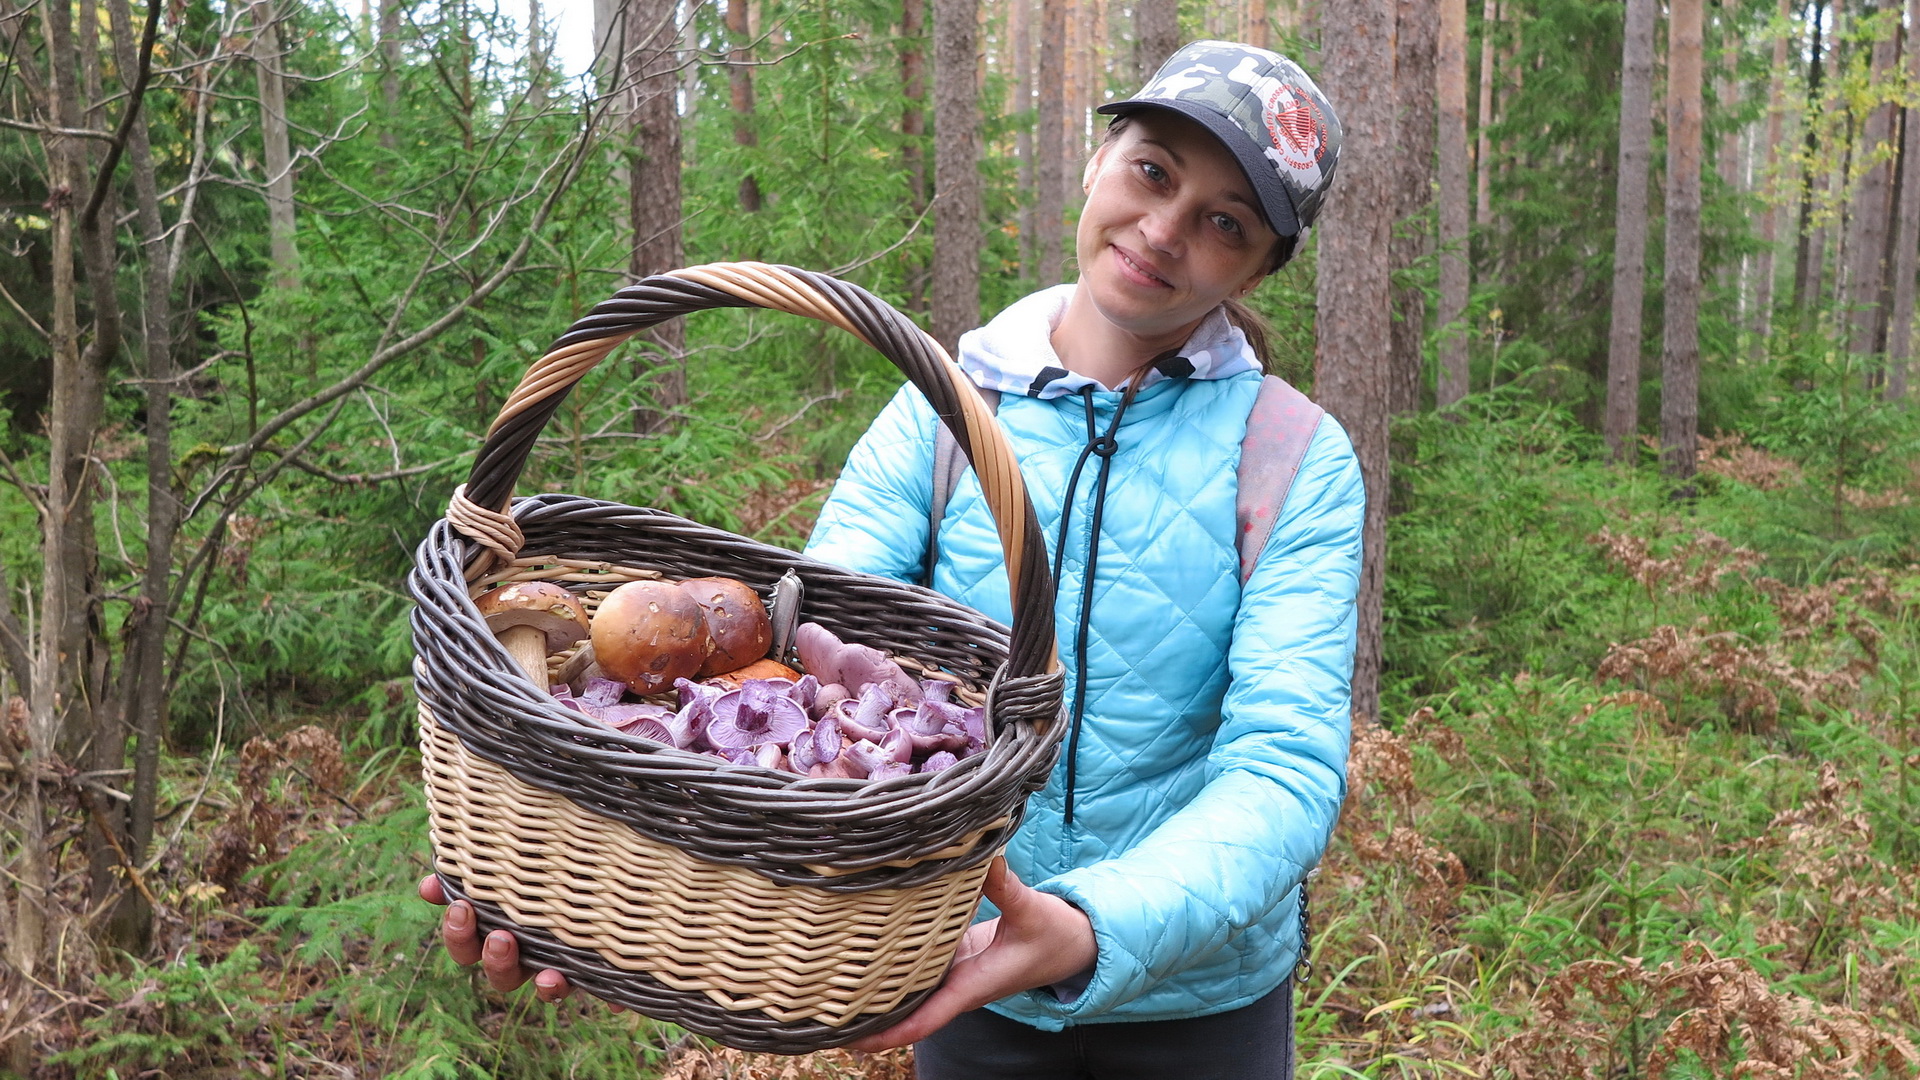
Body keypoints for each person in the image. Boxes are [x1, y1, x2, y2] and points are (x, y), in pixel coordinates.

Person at [422, 40, 1361, 1079]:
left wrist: (1092, 925)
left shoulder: (1292, 458)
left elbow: (1283, 765)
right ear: (1099, 160)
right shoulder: (942, 413)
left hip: (1200, 1002)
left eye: (1226, 223)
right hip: (954, 957)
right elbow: (801, 682)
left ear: (1259, 269)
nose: (1165, 228)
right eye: (1152, 171)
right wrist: (608, 886)